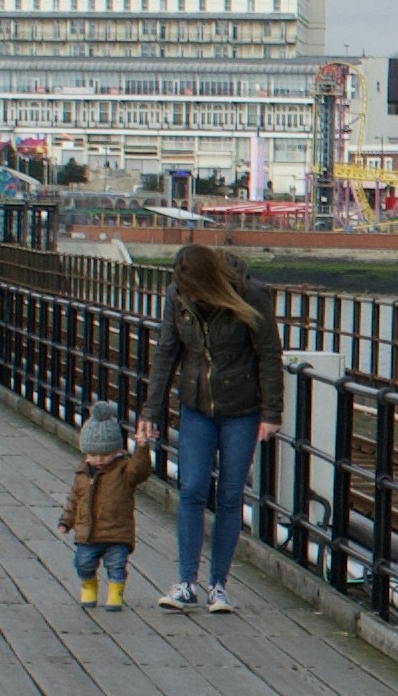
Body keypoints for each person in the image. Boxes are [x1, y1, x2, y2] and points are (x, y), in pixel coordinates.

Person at [155, 234, 279, 609]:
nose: (189, 297)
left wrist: (272, 414)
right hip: (196, 407)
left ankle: (218, 585)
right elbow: (166, 352)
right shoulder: (176, 297)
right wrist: (151, 410)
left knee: (229, 496)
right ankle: (185, 582)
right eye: (185, 291)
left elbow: (269, 355)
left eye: (194, 291)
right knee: (191, 488)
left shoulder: (250, 296)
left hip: (241, 409)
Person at [60, 423, 148, 609]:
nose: (98, 460)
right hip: (88, 532)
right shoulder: (82, 473)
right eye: (93, 455)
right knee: (83, 563)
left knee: (116, 565)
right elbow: (74, 499)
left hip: (116, 532)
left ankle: (115, 594)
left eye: (105, 455)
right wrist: (66, 521)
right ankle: (89, 585)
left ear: (116, 451)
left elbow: (140, 470)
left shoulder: (124, 471)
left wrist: (141, 448)